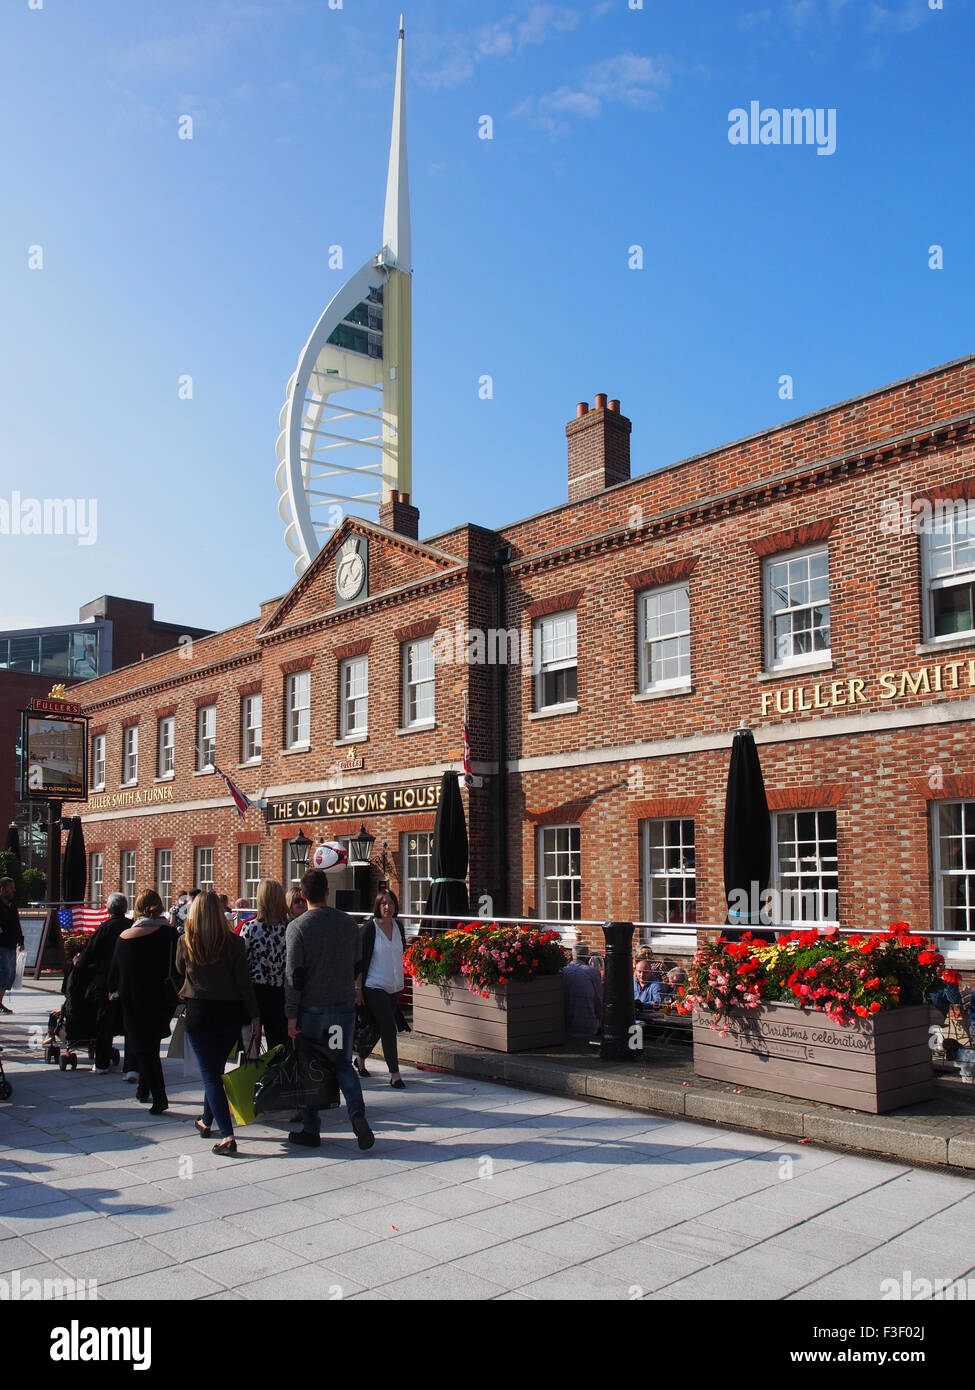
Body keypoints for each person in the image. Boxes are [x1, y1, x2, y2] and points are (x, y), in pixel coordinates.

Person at [285, 867, 374, 1151]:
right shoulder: (348, 924)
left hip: (313, 1010)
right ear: (327, 892)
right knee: (342, 1064)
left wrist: (291, 1014)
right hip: (342, 1007)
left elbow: (293, 976)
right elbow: (357, 963)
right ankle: (357, 1114)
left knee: (311, 1066)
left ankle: (312, 1129)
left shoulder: (297, 927)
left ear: (302, 895)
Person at [175, 890, 260, 1156]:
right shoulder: (234, 944)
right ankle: (206, 1120)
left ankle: (227, 1136)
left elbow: (178, 969)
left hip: (200, 1012)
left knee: (211, 1076)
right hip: (230, 1013)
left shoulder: (185, 942)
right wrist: (255, 1015)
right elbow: (244, 984)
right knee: (216, 1070)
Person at [108, 890, 176, 1115]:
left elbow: (114, 974)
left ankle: (159, 1096)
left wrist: (112, 991)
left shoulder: (127, 937)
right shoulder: (171, 934)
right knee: (152, 1045)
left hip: (135, 1000)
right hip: (164, 998)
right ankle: (143, 1090)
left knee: (143, 1049)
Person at [354, 890, 408, 1087]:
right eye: (383, 903)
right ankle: (395, 1074)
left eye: (391, 903)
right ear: (377, 906)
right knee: (388, 1027)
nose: (387, 907)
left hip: (394, 984)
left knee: (376, 1028)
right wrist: (357, 988)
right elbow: (359, 961)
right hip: (374, 984)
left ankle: (360, 1059)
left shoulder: (398, 927)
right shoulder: (370, 929)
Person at [74, 892, 130, 1073]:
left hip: (105, 980)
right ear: (125, 908)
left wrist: (78, 963)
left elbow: (89, 952)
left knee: (103, 1023)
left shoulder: (104, 928)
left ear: (108, 909)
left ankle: (102, 1063)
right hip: (127, 981)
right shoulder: (131, 927)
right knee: (129, 1024)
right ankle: (131, 1066)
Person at [239, 879, 288, 1049]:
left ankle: (252, 1075)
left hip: (256, 991)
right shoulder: (289, 928)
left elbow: (242, 961)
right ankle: (278, 1075)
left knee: (251, 1044)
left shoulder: (251, 928)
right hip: (282, 991)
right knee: (280, 1046)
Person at [561, 940, 603, 1038]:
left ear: (571, 956)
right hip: (589, 1027)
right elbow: (599, 1001)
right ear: (587, 957)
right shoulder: (592, 972)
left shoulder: (563, 971)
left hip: (565, 1027)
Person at [0, 876, 25, 1014]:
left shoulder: (12, 905)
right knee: (3, 973)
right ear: (2, 889)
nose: (13, 891)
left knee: (9, 974)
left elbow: (16, 923)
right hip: (1, 944)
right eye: (10, 889)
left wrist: (21, 941)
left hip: (10, 944)